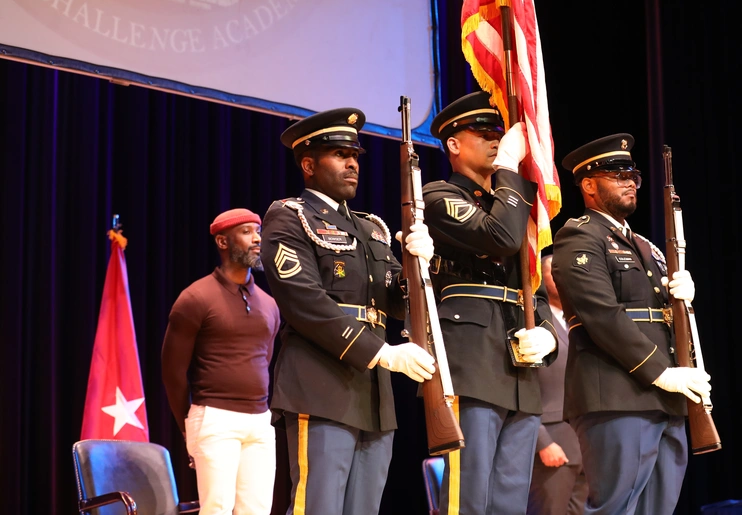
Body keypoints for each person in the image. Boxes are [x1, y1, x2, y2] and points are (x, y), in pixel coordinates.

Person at [259, 107, 437, 515]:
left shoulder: (371, 227)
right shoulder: (290, 216)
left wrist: (420, 266)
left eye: (355, 155)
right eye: (339, 154)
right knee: (317, 507)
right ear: (308, 164)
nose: (352, 163)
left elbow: (396, 300)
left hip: (373, 391)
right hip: (321, 380)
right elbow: (304, 300)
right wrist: (382, 352)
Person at [551, 133, 712, 515]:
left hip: (665, 398)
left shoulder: (646, 246)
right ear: (588, 185)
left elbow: (665, 319)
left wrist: (686, 305)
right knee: (614, 508)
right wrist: (661, 372)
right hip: (618, 395)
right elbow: (603, 315)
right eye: (616, 174)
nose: (629, 182)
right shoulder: (579, 236)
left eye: (633, 176)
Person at [422, 90, 560, 515]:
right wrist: (507, 173)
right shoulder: (437, 196)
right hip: (472, 360)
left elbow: (533, 284)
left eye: (497, 133)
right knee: (468, 498)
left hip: (520, 366)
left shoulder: (510, 204)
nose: (494, 141)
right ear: (453, 144)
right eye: (481, 133)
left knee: (510, 502)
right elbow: (498, 238)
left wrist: (550, 337)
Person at [161, 208, 281, 515]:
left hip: (259, 420)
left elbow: (263, 360)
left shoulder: (268, 304)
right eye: (247, 232)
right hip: (214, 417)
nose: (257, 239)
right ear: (222, 241)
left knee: (257, 510)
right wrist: (188, 425)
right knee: (216, 509)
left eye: (258, 231)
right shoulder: (196, 298)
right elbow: (173, 371)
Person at [527, 254, 588, 515]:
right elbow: (524, 386)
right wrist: (542, 442)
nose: (560, 277)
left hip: (585, 444)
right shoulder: (534, 324)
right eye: (553, 271)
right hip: (552, 443)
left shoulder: (582, 322)